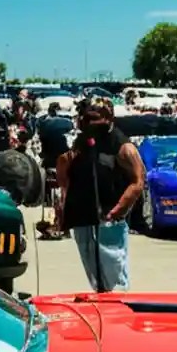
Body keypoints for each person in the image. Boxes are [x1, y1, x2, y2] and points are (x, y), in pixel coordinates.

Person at [55, 99, 144, 292]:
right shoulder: (82, 141)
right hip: (82, 213)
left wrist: (119, 209)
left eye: (94, 118)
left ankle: (117, 305)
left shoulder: (122, 146)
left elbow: (138, 181)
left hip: (109, 214)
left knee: (113, 268)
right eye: (85, 118)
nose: (88, 123)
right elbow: (66, 169)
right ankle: (101, 299)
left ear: (108, 117)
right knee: (93, 270)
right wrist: (64, 202)